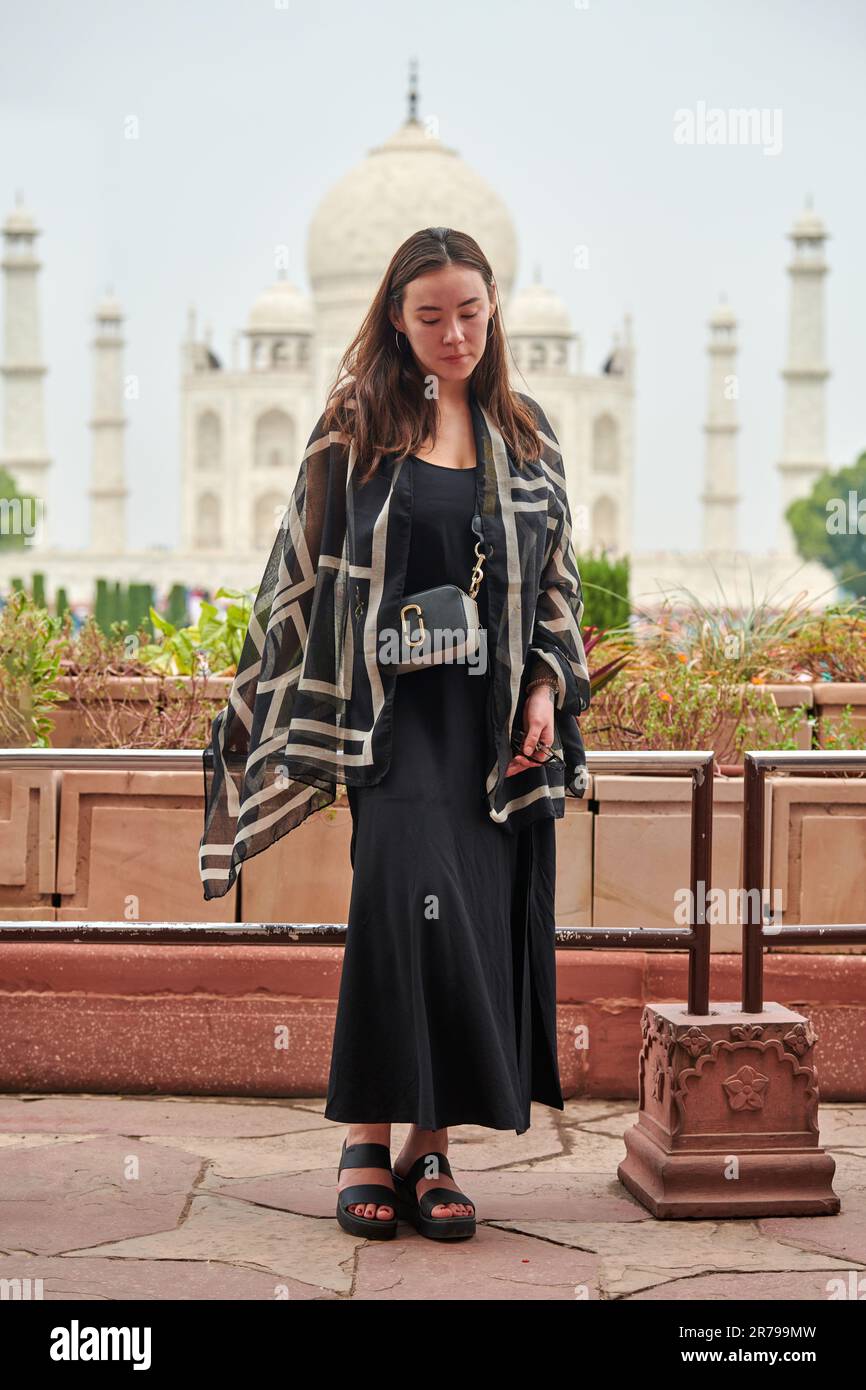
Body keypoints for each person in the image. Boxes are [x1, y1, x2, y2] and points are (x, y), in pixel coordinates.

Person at [199, 227, 591, 1244]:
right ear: (392, 318)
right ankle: (363, 1138)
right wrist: (260, 702)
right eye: (428, 316)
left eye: (467, 311)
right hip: (388, 717)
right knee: (397, 904)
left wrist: (545, 686)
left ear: (493, 306)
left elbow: (555, 582)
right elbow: (296, 562)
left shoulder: (525, 429)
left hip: (491, 725)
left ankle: (430, 1146)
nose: (452, 333)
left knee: (463, 917)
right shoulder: (356, 422)